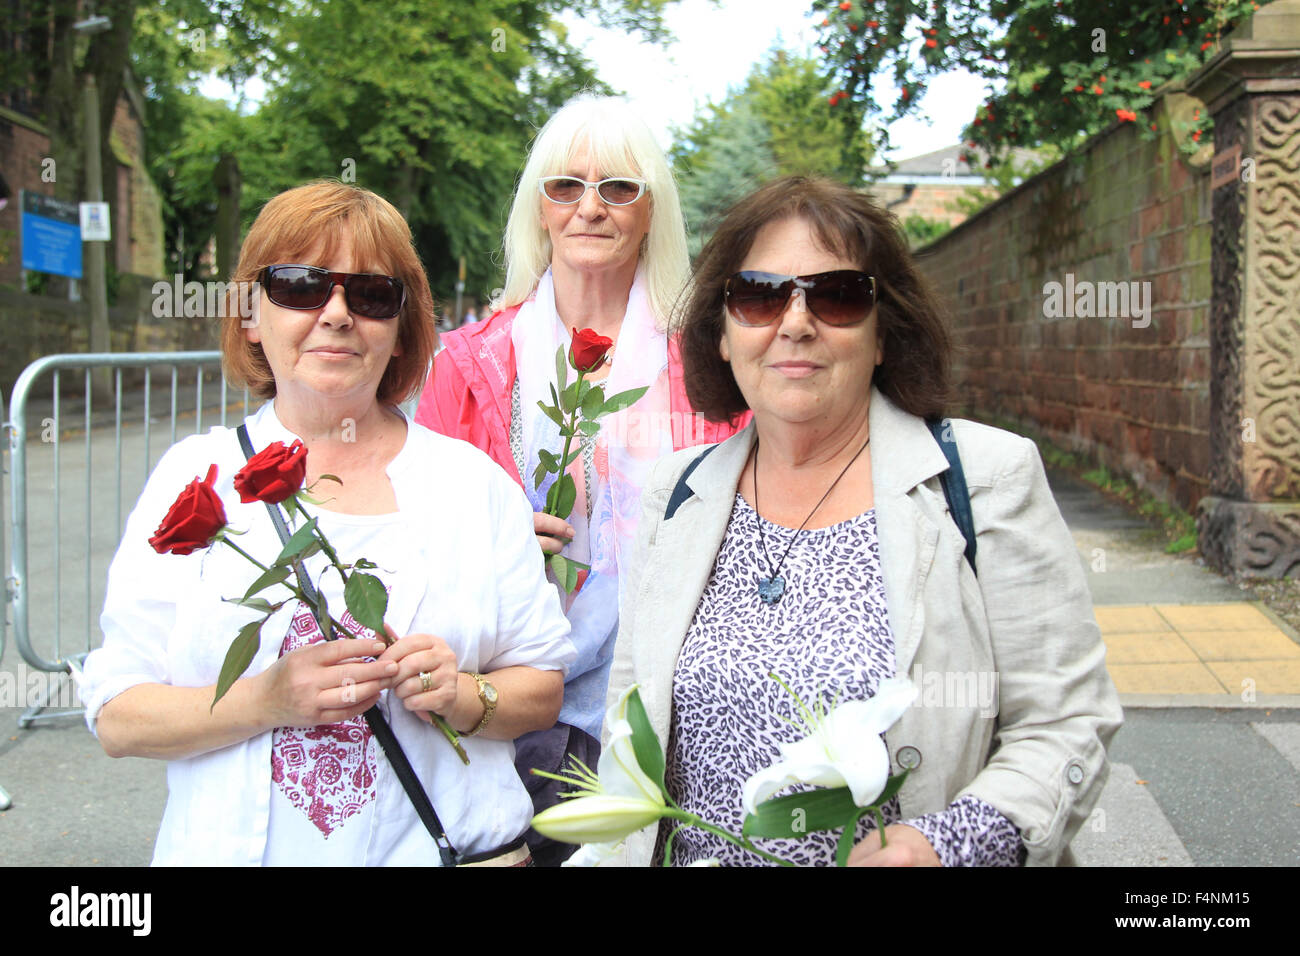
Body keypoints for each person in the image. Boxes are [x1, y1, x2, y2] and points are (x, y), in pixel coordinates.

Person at [609, 176, 1123, 867]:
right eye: (759, 296)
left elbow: (1066, 721)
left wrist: (948, 845)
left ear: (884, 335)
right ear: (723, 336)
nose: (795, 324)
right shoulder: (678, 490)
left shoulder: (985, 476)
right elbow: (630, 716)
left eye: (838, 296)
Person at [80, 181, 574, 866]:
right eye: (301, 286)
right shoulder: (195, 478)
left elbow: (541, 687)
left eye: (371, 294)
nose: (337, 313)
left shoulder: (473, 486)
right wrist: (265, 699)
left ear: (402, 327)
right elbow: (117, 715)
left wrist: (462, 695)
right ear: (252, 314)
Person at [415, 96, 743, 864]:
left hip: (664, 713)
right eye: (566, 186)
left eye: (618, 188)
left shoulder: (708, 364)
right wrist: (486, 543)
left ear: (651, 211)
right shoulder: (466, 365)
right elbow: (416, 541)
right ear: (539, 208)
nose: (590, 207)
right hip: (507, 714)